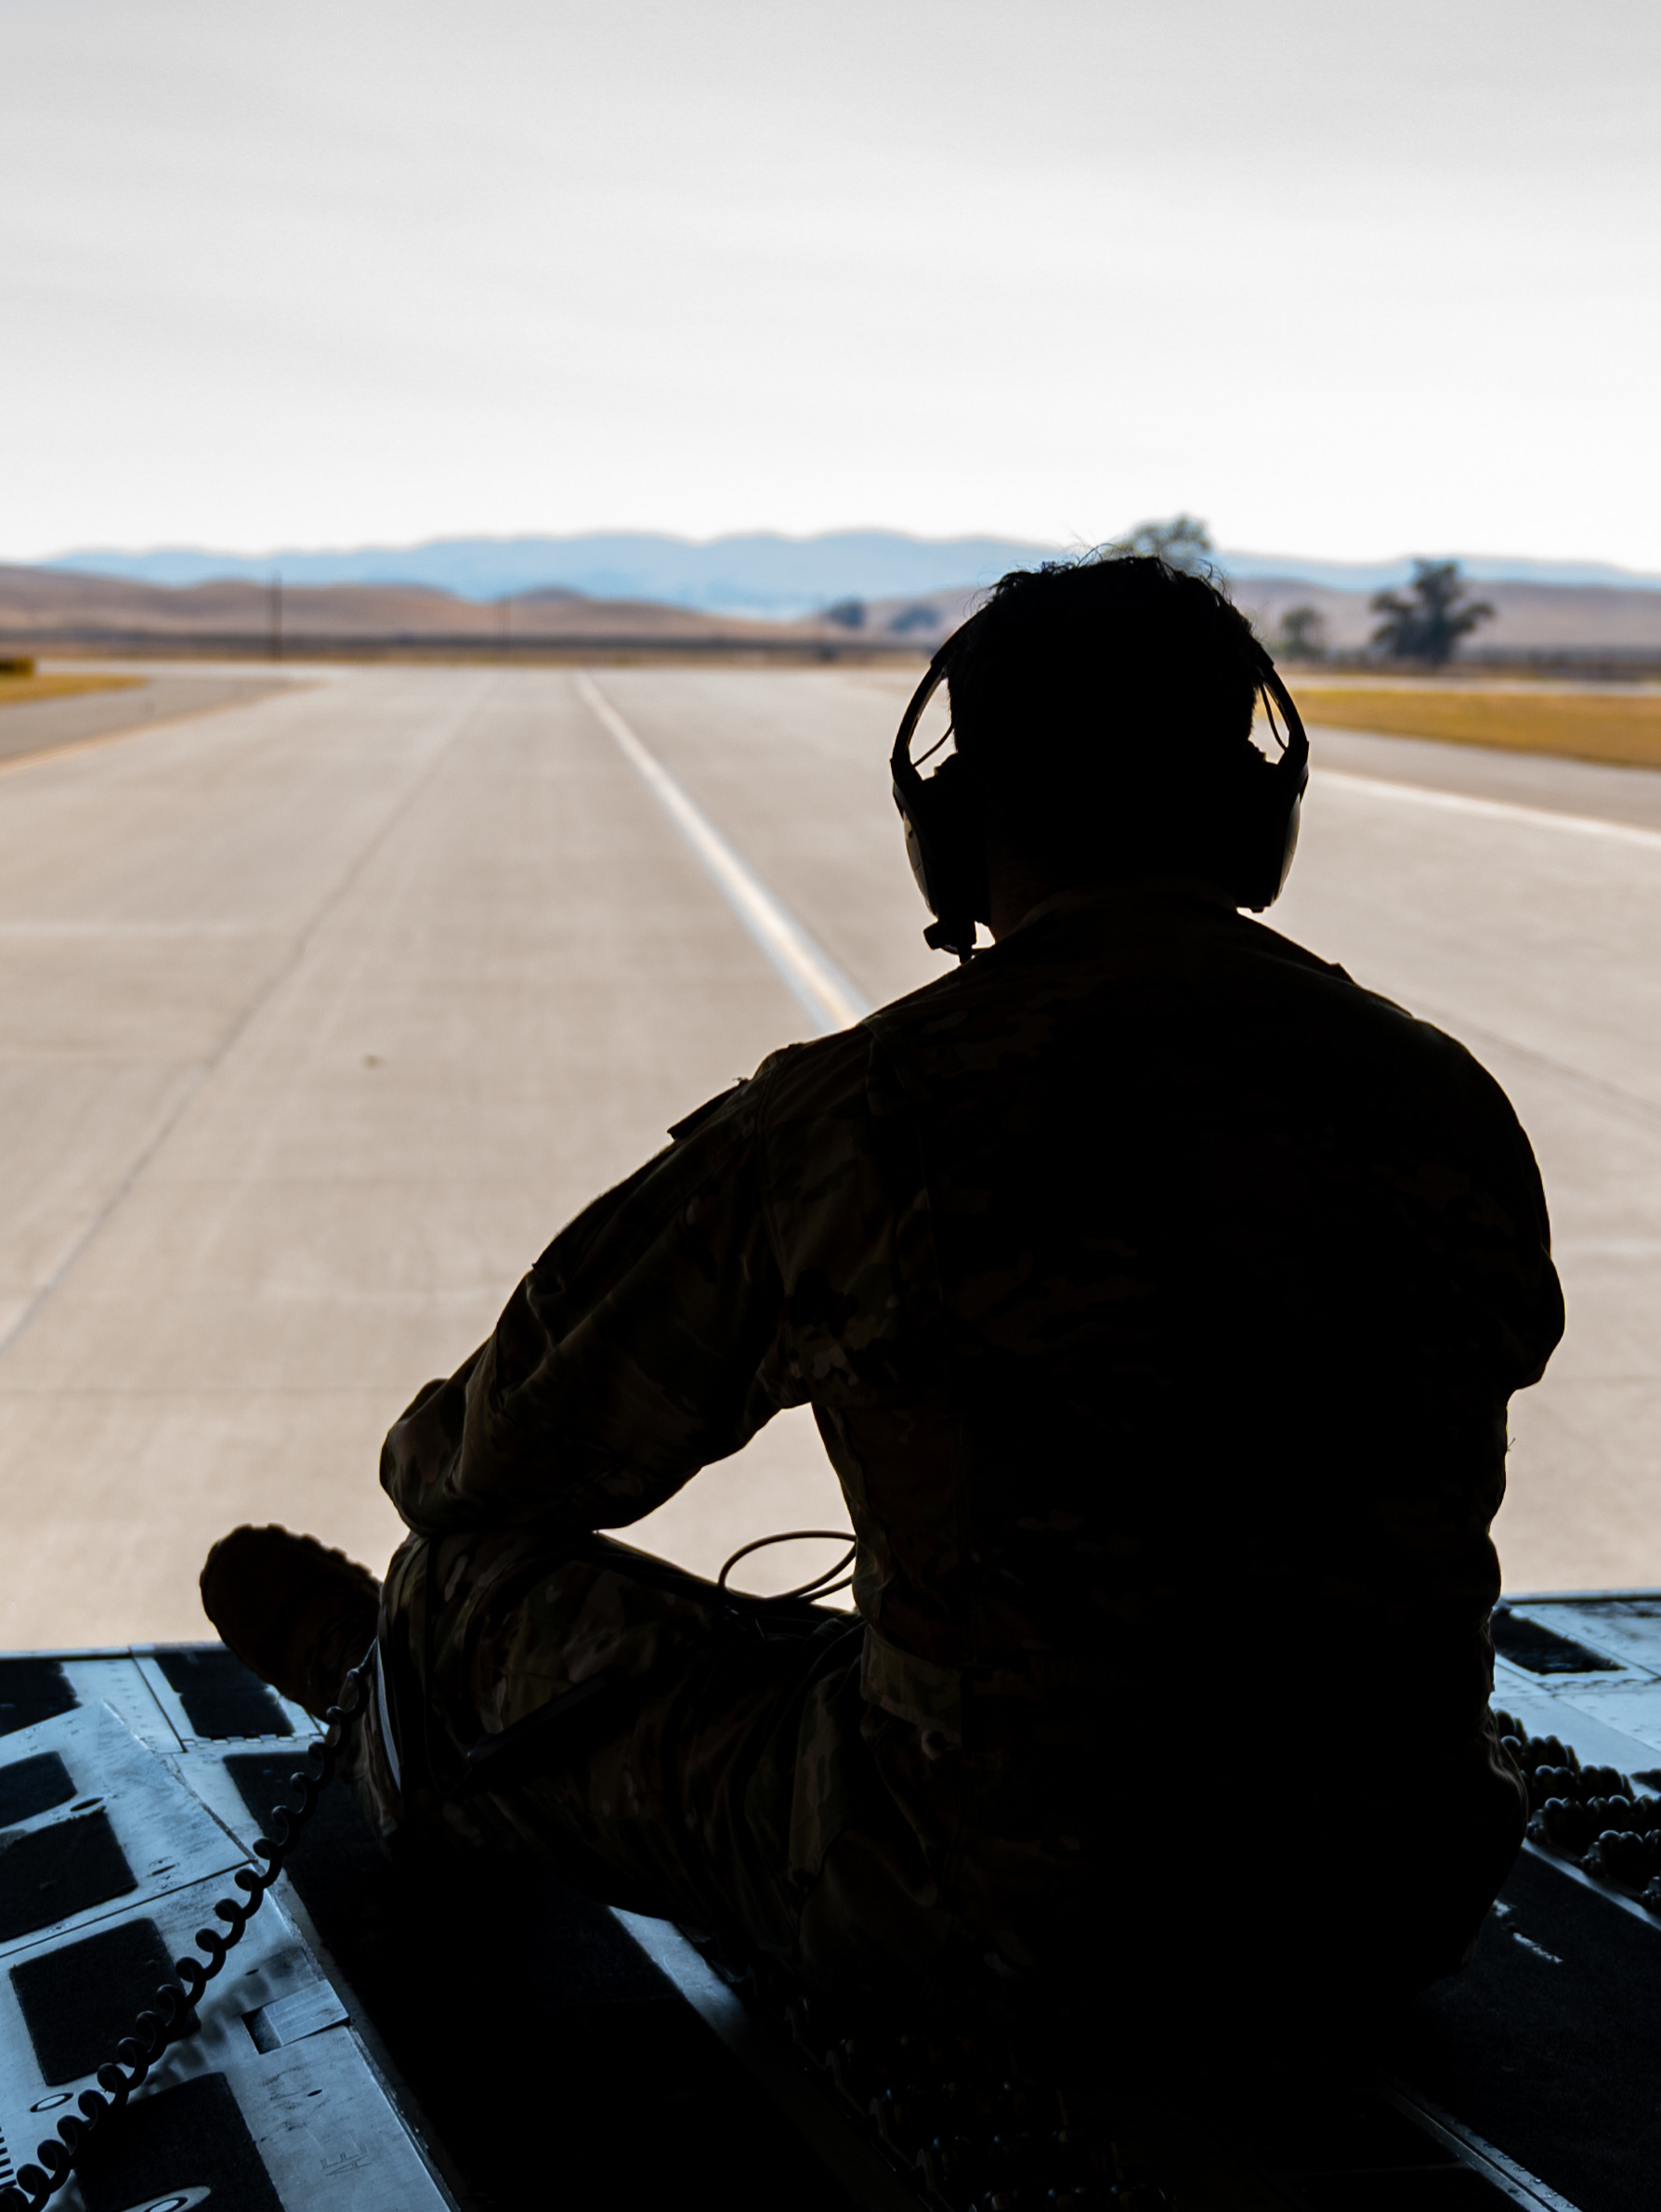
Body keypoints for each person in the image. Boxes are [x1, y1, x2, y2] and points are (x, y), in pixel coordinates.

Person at [203, 553, 1563, 2035]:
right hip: (1385, 1901)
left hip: (1001, 1909)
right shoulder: (1442, 1101)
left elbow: (488, 1461)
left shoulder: (870, 1110)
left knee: (460, 1591)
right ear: (1254, 816)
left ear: (954, 827)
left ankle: (407, 1717)